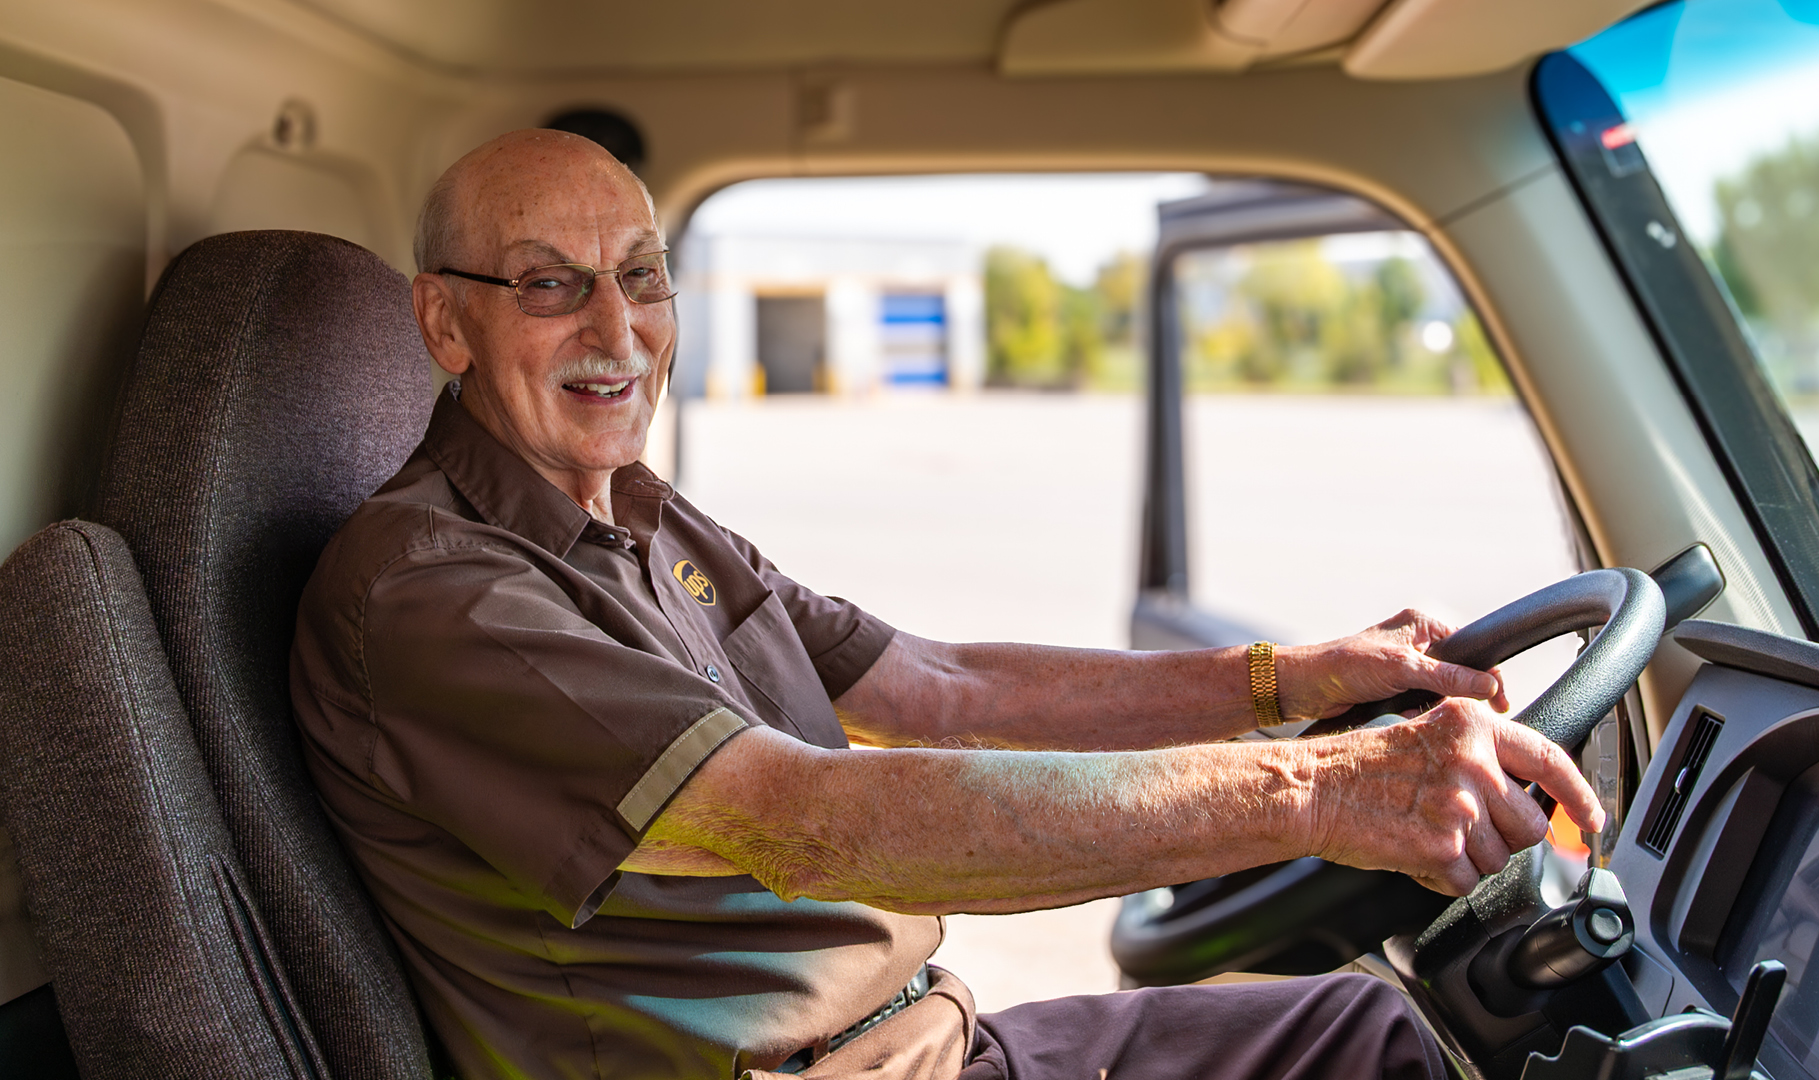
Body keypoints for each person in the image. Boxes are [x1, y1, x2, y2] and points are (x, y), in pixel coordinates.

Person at [289, 129, 1603, 1080]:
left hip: (923, 1042)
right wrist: (1325, 794)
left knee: (1378, 1034)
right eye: (547, 283)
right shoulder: (431, 592)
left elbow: (935, 689)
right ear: (444, 326)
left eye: (640, 276)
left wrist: (1294, 680)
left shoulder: (638, 511)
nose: (618, 331)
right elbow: (808, 823)